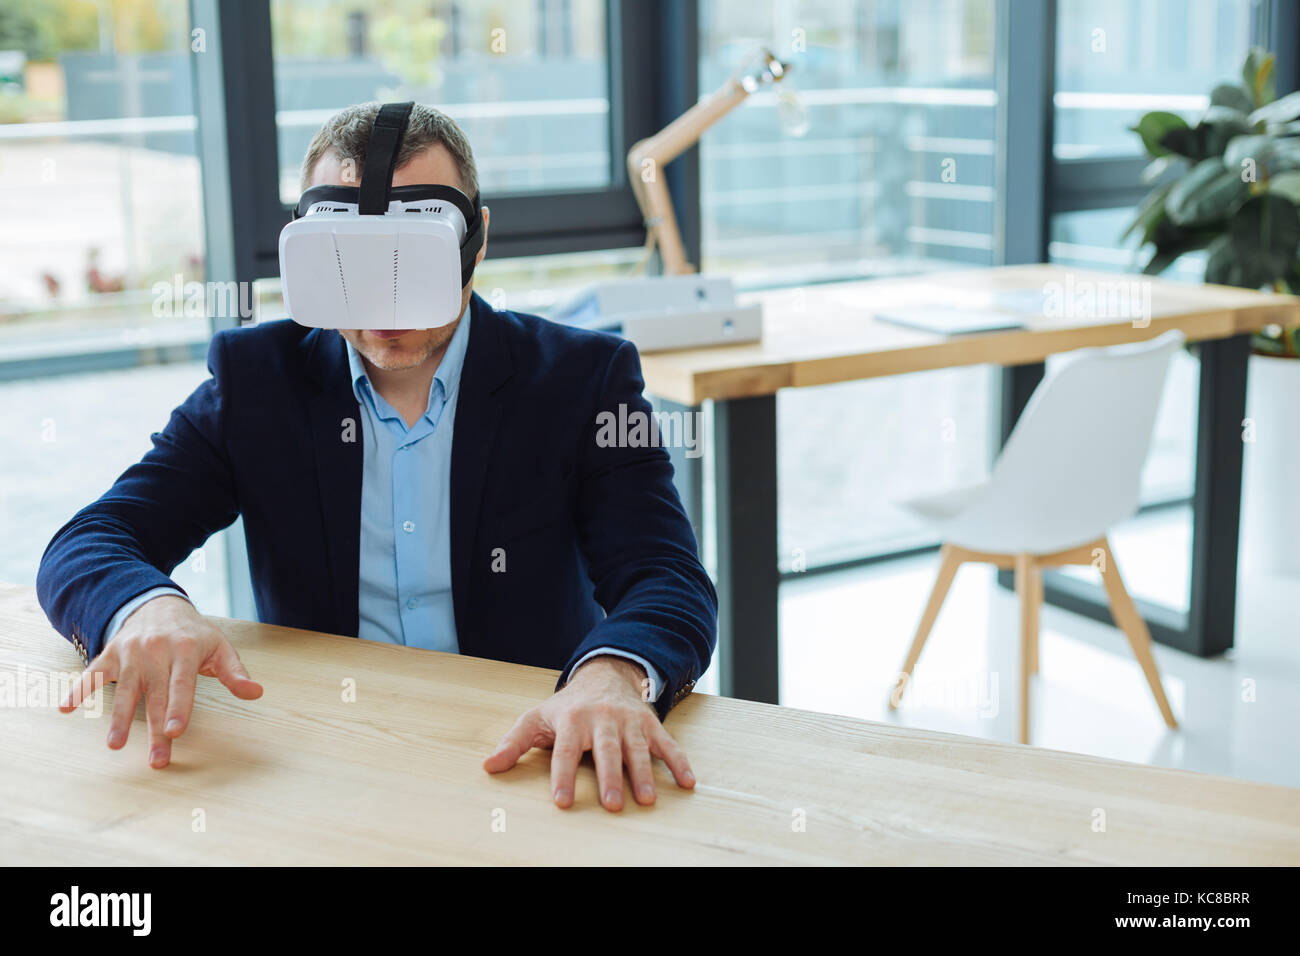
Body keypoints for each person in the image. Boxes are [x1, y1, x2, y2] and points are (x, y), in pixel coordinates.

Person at [37, 101, 717, 813]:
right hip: (324, 760)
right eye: (352, 266)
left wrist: (612, 676)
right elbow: (91, 542)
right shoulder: (257, 383)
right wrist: (147, 610)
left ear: (476, 240)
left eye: (410, 262)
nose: (383, 306)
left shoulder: (584, 379)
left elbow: (666, 577)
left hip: (531, 755)